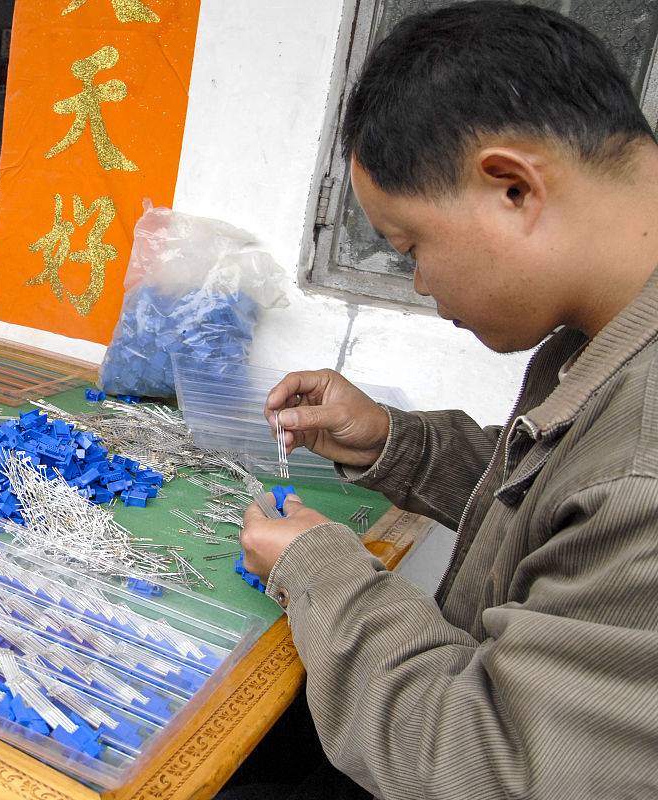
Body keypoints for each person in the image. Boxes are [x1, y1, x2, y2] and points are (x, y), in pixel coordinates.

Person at [233, 3, 658, 799]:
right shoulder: (605, 339)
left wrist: (319, 568)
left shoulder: (647, 465)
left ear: (512, 186)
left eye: (411, 248)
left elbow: (490, 767)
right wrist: (390, 441)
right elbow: (559, 508)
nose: (422, 284)